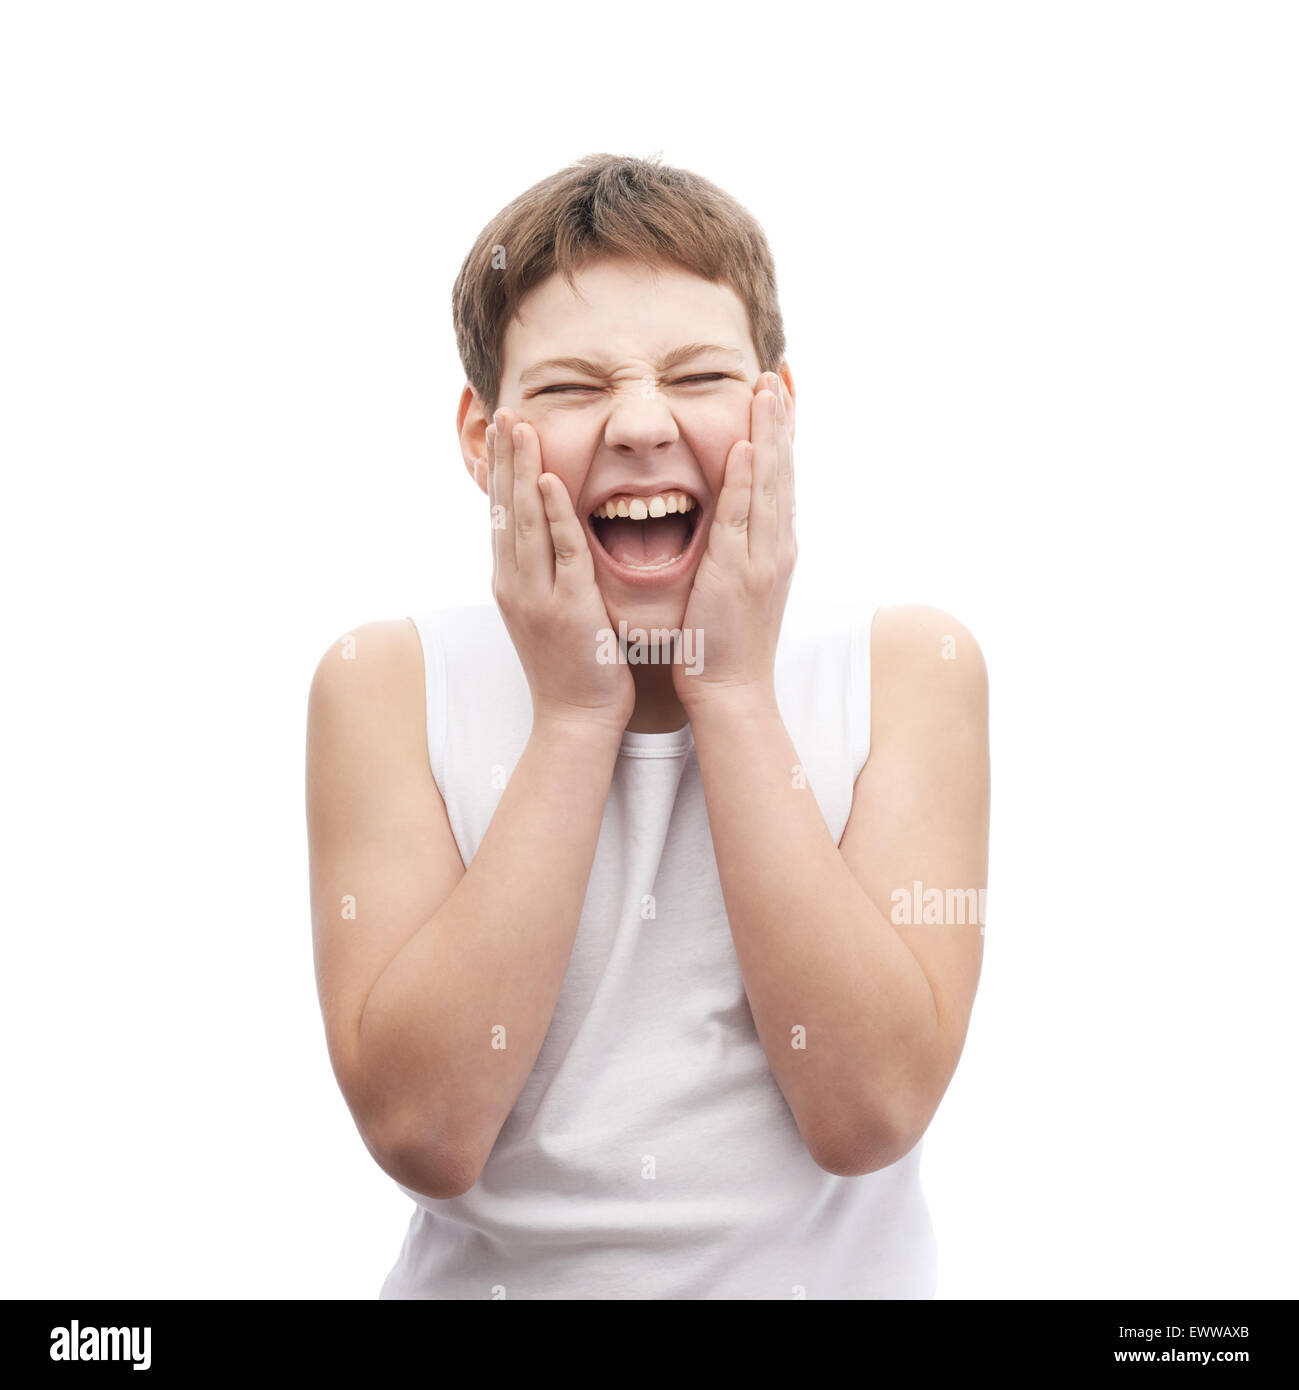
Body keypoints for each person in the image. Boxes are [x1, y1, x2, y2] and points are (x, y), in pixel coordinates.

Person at [305, 153, 990, 1299]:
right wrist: (576, 715)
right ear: (482, 437)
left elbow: (867, 1111)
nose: (637, 423)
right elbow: (426, 1130)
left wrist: (728, 688)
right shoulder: (386, 683)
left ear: (780, 408)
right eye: (571, 387)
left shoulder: (909, 669)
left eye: (701, 374)